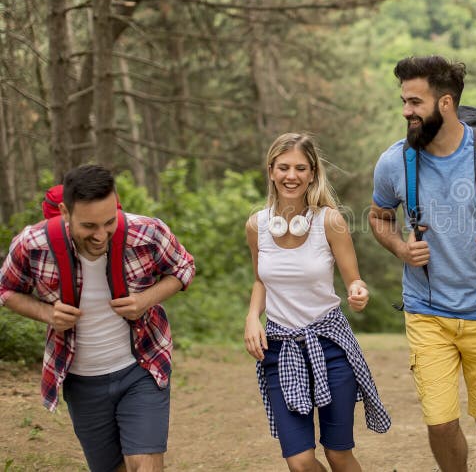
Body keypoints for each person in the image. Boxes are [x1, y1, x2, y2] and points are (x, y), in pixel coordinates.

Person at [369, 56, 476, 472]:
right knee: (440, 421)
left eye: (415, 102)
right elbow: (378, 217)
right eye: (404, 101)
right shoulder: (394, 162)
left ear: (445, 103)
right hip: (426, 312)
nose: (406, 111)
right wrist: (400, 249)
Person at [0, 164, 196, 472]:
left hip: (141, 367)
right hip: (81, 380)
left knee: (143, 463)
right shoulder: (33, 245)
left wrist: (145, 300)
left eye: (109, 222)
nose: (101, 235)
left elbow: (184, 268)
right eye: (89, 226)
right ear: (65, 212)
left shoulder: (147, 232)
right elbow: (6, 290)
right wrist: (46, 313)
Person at [244, 132, 390, 472]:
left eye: (299, 168)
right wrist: (253, 317)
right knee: (299, 461)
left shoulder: (330, 221)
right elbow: (259, 280)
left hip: (330, 347)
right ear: (271, 171)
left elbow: (354, 280)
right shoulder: (257, 226)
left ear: (312, 173)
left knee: (337, 454)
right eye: (283, 167)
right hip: (280, 350)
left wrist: (358, 291)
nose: (290, 175)